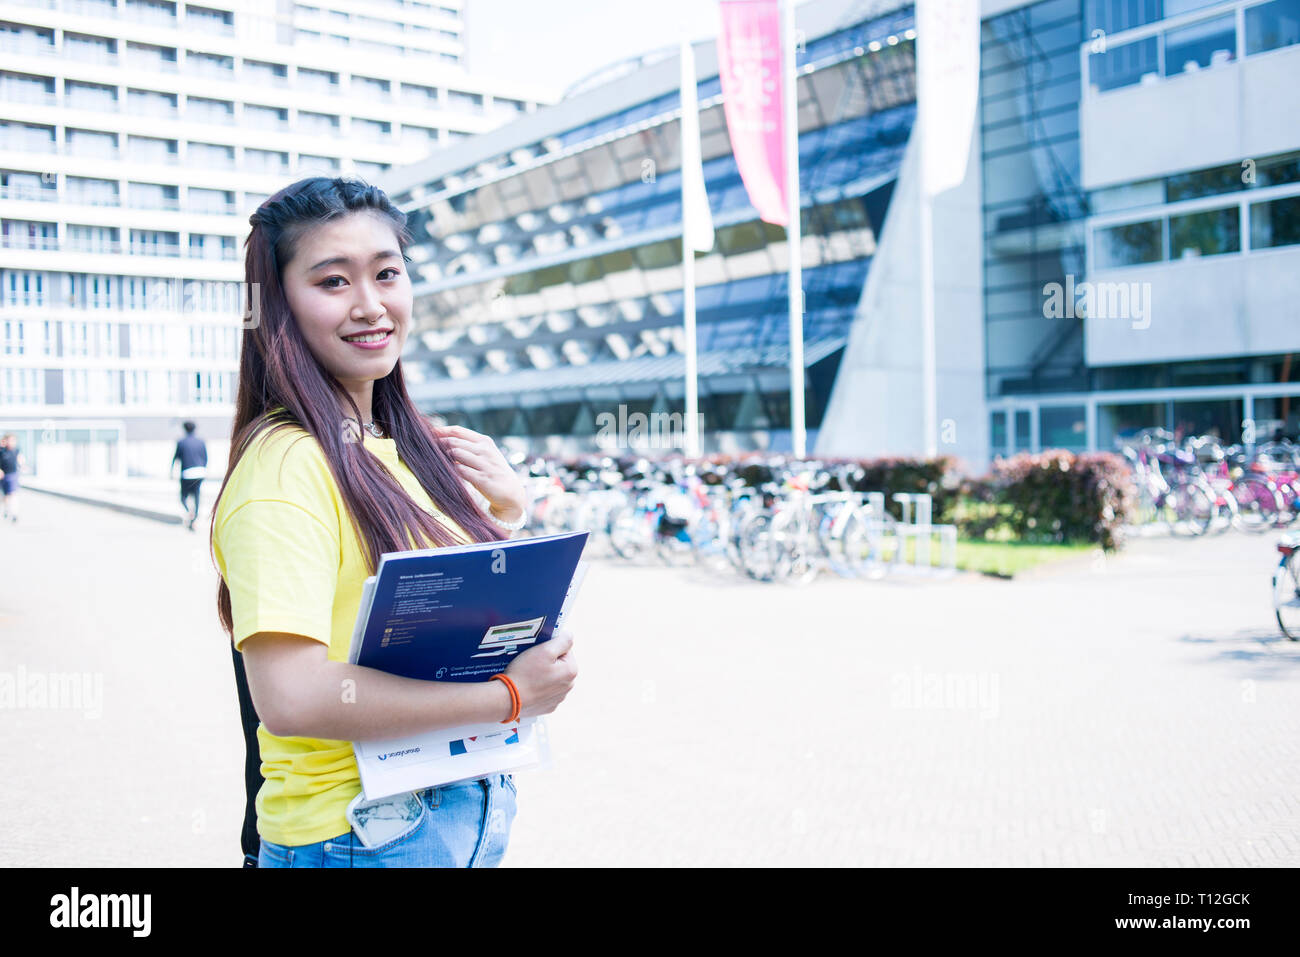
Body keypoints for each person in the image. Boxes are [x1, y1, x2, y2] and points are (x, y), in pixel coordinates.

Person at [209, 176, 577, 868]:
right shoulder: (285, 465)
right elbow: (290, 695)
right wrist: (508, 696)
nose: (371, 305)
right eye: (333, 282)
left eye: (386, 273)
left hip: (439, 814)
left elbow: (438, 619)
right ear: (278, 305)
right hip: (360, 833)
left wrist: (504, 517)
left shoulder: (395, 445)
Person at [171, 421, 208, 531]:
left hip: (187, 473)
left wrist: (171, 471)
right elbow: (205, 457)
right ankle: (195, 516)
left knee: (183, 497)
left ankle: (189, 512)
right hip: (200, 472)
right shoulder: (201, 442)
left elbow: (176, 458)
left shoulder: (181, 442)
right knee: (196, 495)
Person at [0, 433, 24, 523]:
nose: (11, 442)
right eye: (9, 440)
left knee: (13, 494)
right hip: (3, 476)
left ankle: (14, 513)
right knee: (6, 496)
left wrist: (22, 465)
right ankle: (7, 509)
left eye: (13, 440)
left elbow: (20, 459)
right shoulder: (2, 451)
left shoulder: (16, 450)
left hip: (13, 475)